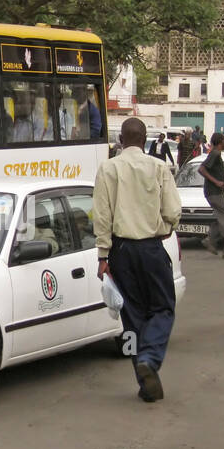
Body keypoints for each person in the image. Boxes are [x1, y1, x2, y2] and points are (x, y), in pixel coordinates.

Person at [92, 117, 181, 403]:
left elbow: (102, 216)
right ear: (144, 141)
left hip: (120, 251)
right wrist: (164, 228)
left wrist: (103, 256)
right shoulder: (158, 167)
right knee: (163, 308)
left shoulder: (108, 168)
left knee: (132, 317)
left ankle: (143, 380)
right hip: (152, 248)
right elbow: (173, 211)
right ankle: (150, 358)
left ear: (121, 141)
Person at [198, 132, 224, 259]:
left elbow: (211, 170)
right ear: (221, 142)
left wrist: (223, 173)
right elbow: (201, 169)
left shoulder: (216, 154)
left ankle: (211, 239)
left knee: (222, 217)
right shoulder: (215, 153)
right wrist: (217, 182)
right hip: (214, 192)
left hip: (215, 192)